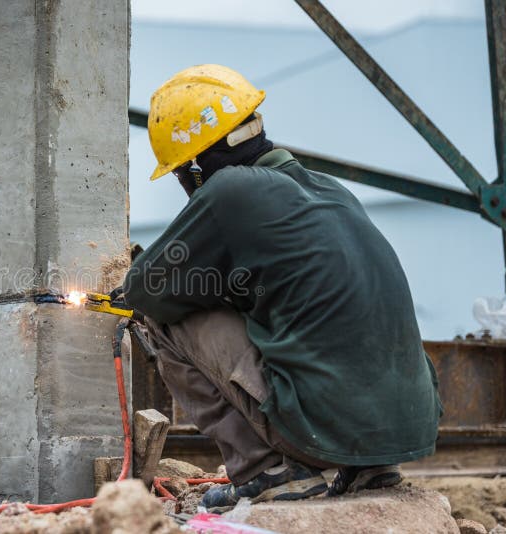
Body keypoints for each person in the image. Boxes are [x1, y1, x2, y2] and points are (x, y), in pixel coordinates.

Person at [122, 64, 442, 511]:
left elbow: (144, 290)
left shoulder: (230, 189)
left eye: (181, 173)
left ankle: (265, 470)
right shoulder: (332, 192)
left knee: (163, 317)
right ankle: (369, 468)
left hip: (320, 430)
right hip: (409, 426)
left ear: (196, 165)